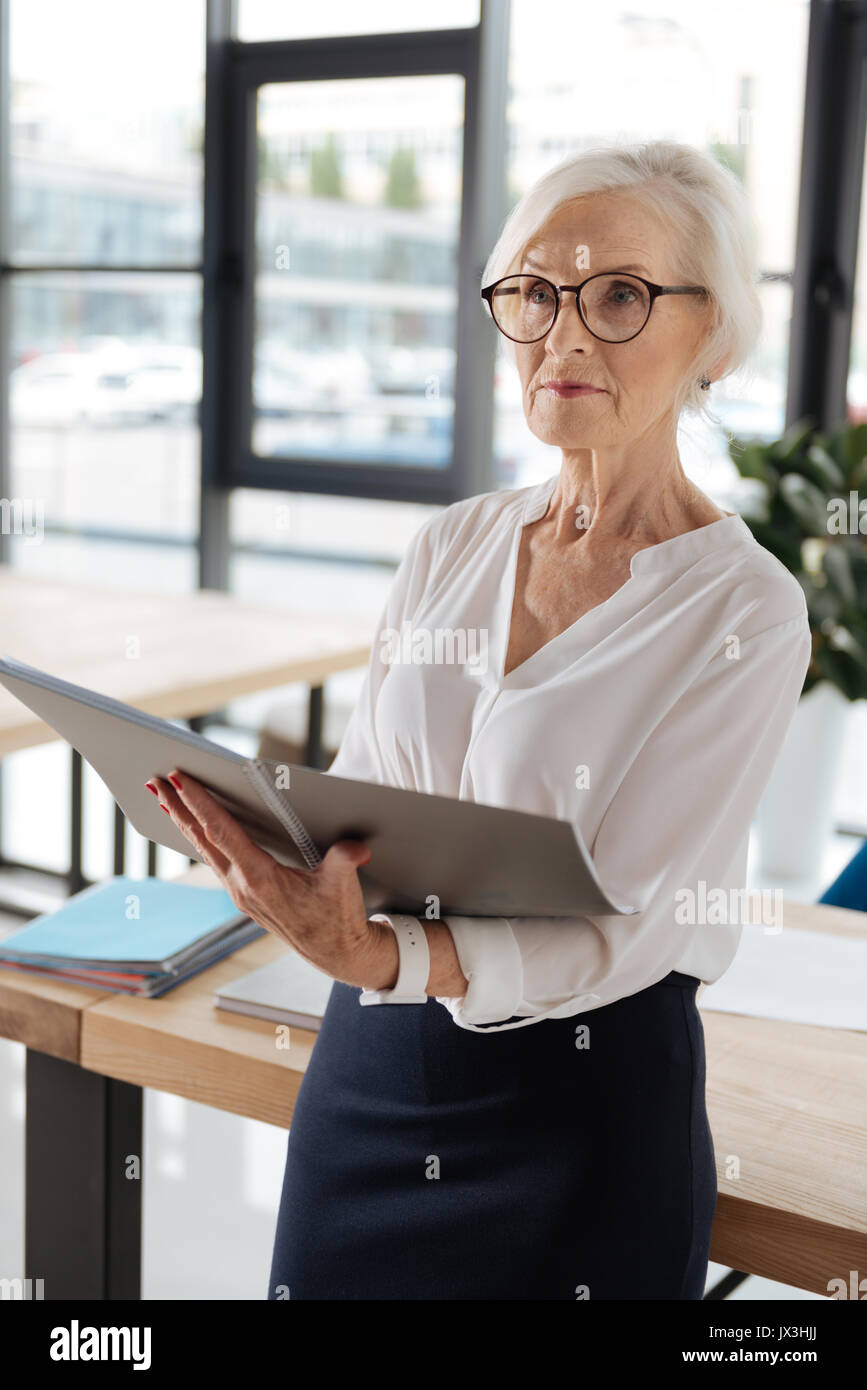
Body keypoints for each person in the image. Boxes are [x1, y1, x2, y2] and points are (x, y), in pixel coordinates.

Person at [151, 139, 812, 1300]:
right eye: (533, 293)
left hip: (580, 1104)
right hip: (370, 1066)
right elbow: (366, 796)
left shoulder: (746, 610)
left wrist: (388, 950)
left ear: (712, 330)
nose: (563, 333)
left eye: (618, 295)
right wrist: (278, 855)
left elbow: (631, 922)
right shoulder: (450, 543)